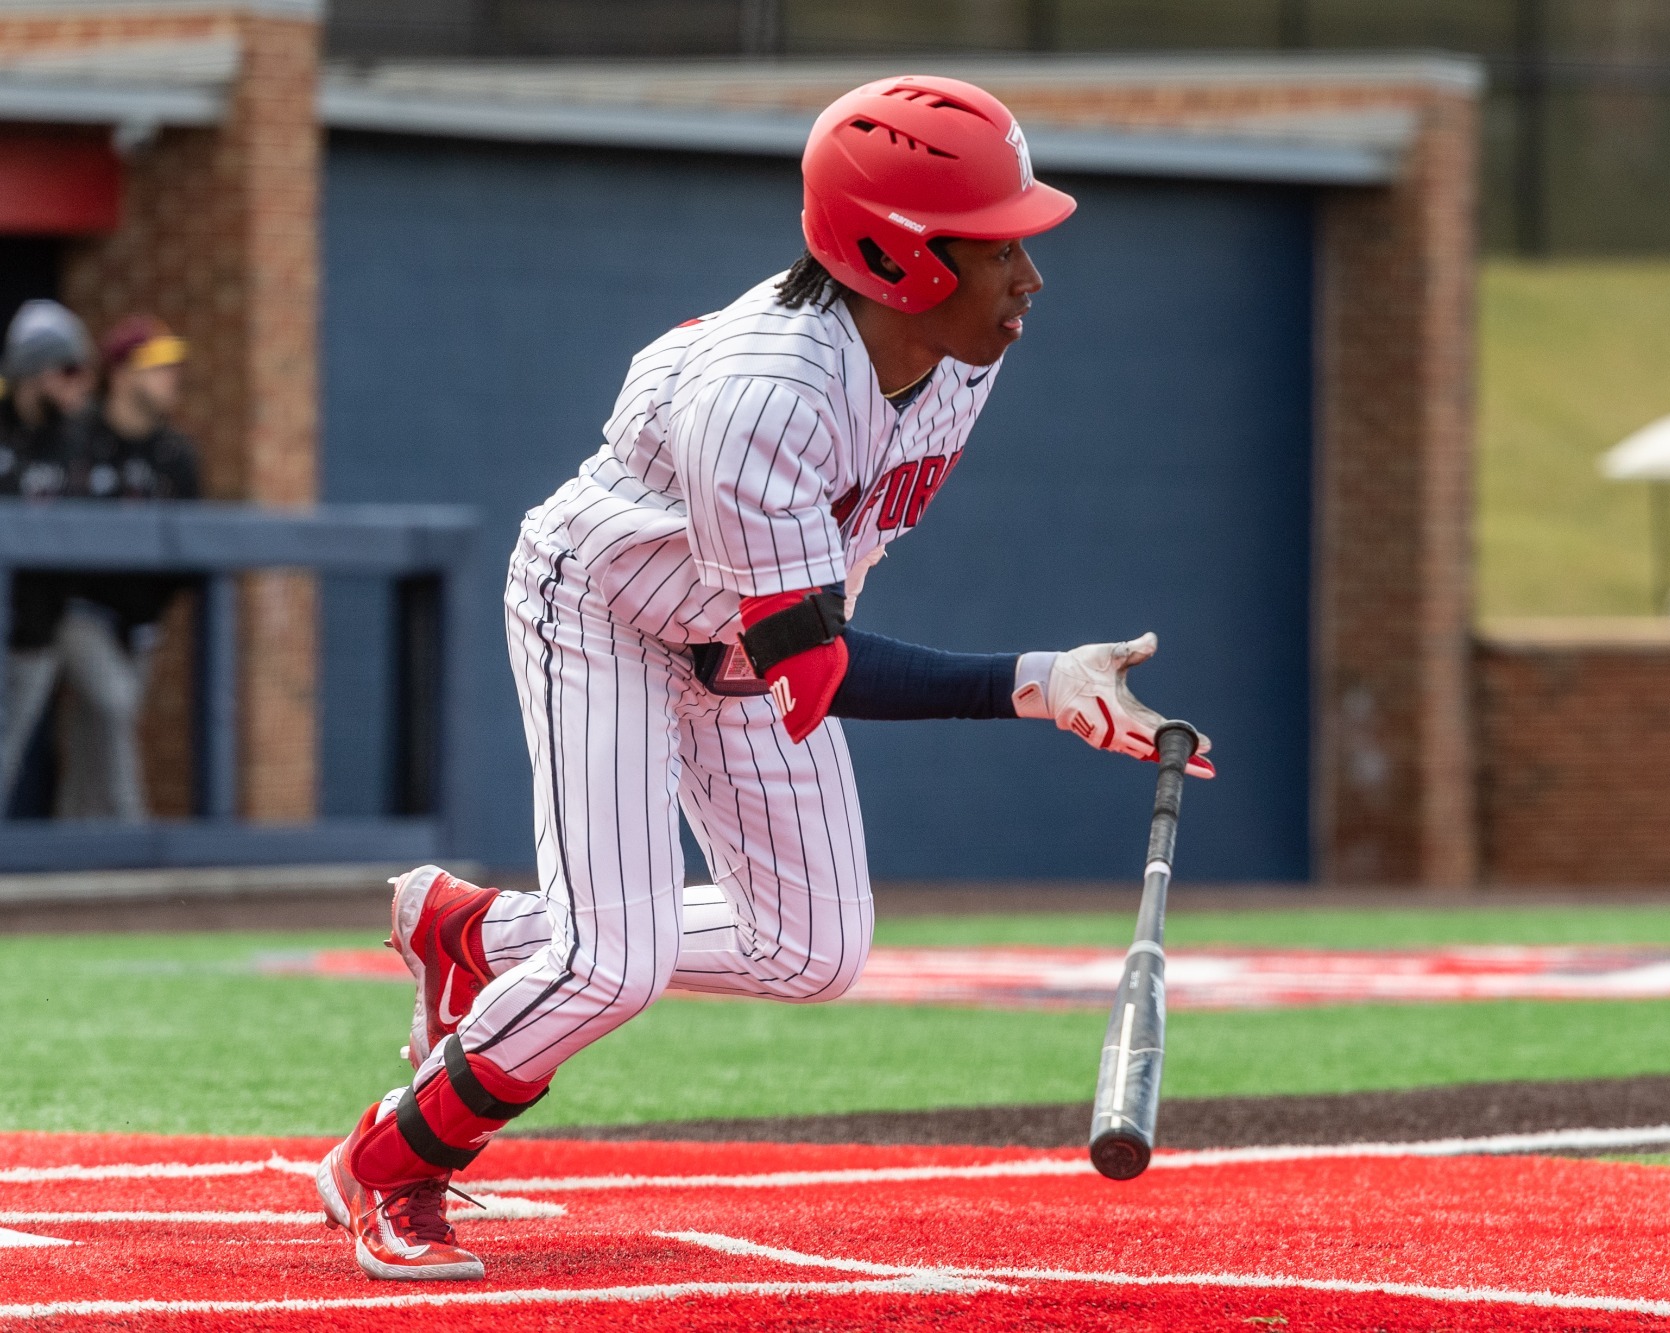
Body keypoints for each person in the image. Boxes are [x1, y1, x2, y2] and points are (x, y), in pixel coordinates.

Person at [314, 75, 1212, 1282]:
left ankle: (474, 933)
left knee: (813, 952)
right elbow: (816, 665)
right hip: (607, 615)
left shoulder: (961, 355)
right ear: (901, 259)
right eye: (997, 249)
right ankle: (387, 1164)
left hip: (742, 632)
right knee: (607, 966)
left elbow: (797, 626)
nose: (1028, 278)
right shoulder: (765, 395)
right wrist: (1039, 681)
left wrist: (1037, 680)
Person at [51, 315, 200, 821]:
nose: (170, 378)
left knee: (96, 730)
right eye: (155, 367)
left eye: (171, 367)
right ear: (120, 374)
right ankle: (135, 836)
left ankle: (72, 840)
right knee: (113, 707)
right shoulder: (76, 436)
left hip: (141, 624)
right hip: (77, 611)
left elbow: (196, 549)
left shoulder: (175, 454)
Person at [0, 300, 94, 812]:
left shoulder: (76, 438)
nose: (82, 383)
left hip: (37, 628)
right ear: (35, 373)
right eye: (70, 370)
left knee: (8, 750)